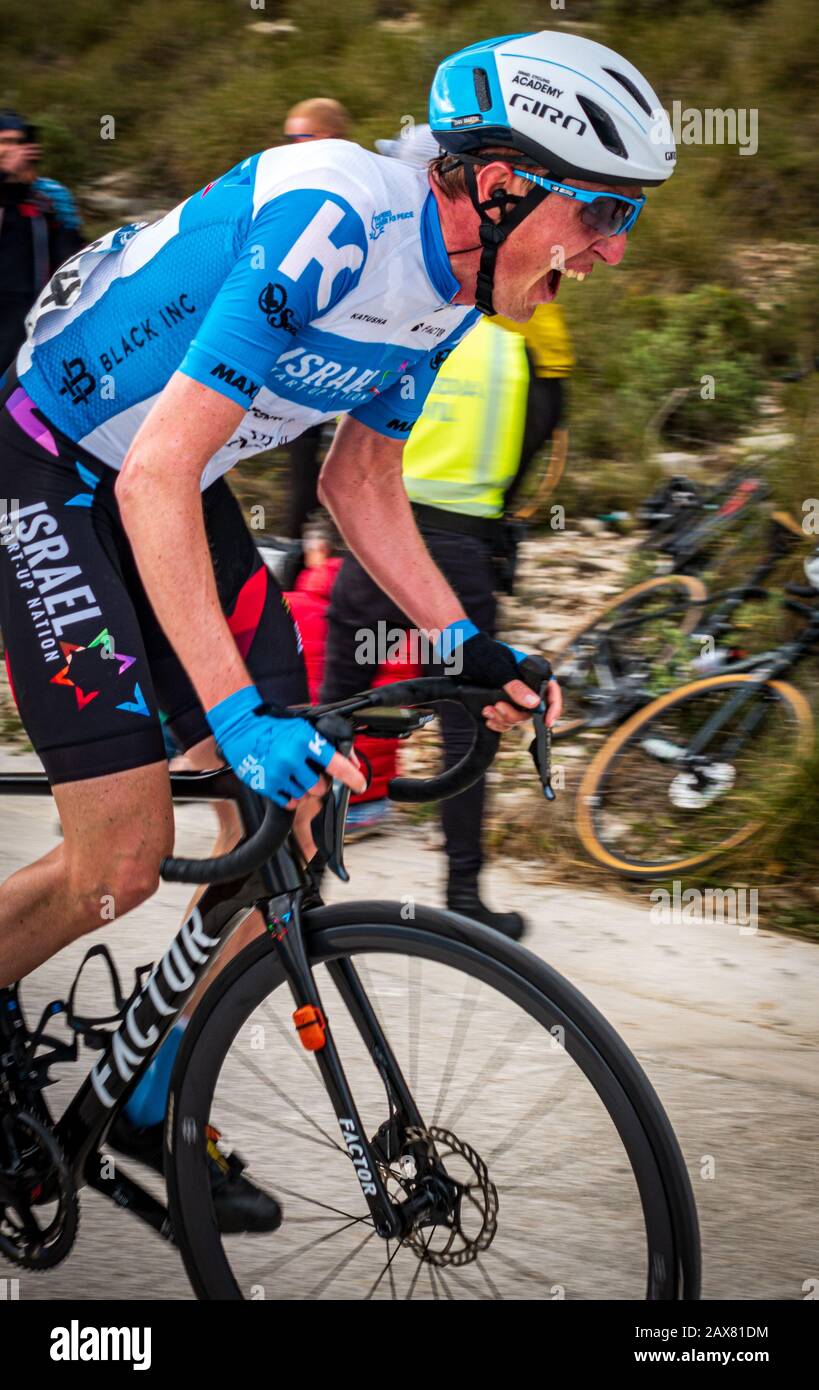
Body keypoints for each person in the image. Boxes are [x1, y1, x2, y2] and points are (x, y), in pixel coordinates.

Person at [0, 30, 674, 1229]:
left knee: (297, 808)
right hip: (48, 468)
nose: (614, 250)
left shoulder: (451, 301)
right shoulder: (334, 225)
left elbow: (363, 485)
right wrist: (235, 713)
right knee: (122, 857)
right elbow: (156, 475)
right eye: (603, 212)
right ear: (499, 178)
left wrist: (465, 644)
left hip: (161, 481)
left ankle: (157, 1101)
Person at [320, 130, 574, 933]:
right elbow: (545, 418)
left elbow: (326, 428)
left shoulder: (405, 310)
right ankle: (464, 896)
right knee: (473, 717)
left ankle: (299, 877)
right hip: (458, 538)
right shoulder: (515, 327)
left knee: (335, 707)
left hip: (379, 532)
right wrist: (509, 518)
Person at [280, 99, 353, 538]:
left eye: (298, 139)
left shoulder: (348, 191)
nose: (288, 148)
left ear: (327, 139)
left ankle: (305, 550)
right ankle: (300, 547)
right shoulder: (299, 185)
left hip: (341, 351)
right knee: (300, 458)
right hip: (305, 345)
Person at [0, 110, 83, 372]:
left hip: (35, 321)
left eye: (17, 142)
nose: (11, 150)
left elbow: (75, 258)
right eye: (4, 142)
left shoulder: (51, 195)